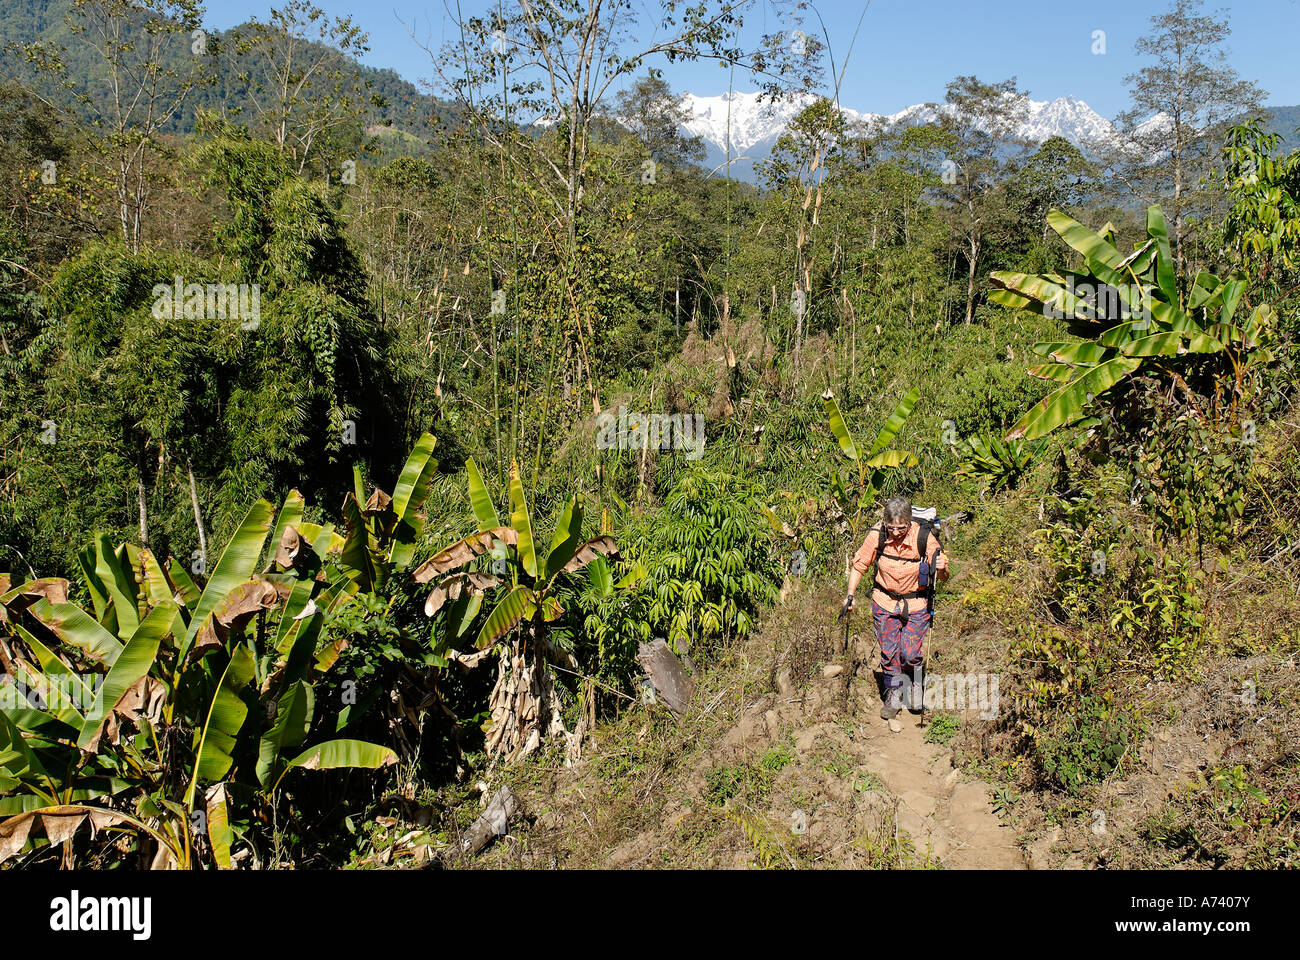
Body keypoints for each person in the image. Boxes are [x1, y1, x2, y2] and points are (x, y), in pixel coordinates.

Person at [839, 496, 949, 720]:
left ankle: (915, 684)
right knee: (889, 652)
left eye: (901, 527)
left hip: (916, 603)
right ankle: (894, 693)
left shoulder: (924, 538)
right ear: (885, 523)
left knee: (909, 653)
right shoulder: (877, 535)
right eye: (891, 527)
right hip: (884, 601)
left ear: (909, 523)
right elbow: (860, 565)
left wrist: (943, 568)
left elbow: (942, 577)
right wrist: (850, 594)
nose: (896, 532)